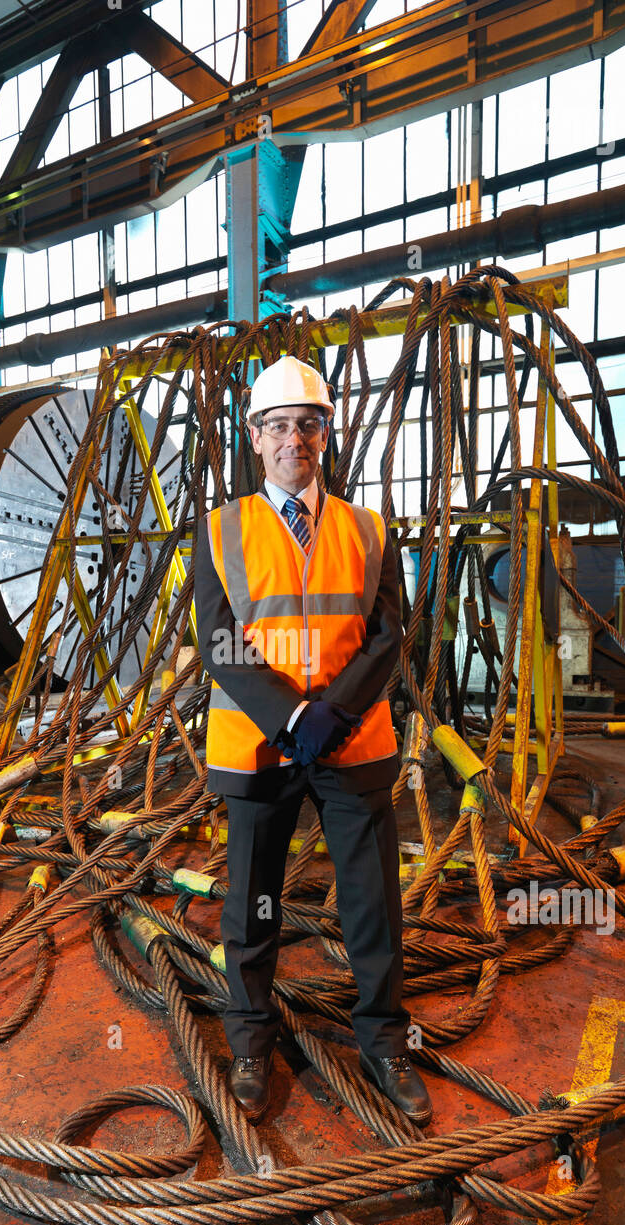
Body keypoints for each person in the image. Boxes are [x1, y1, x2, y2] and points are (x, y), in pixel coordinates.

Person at [193, 356, 432, 1126]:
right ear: (253, 438)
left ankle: (384, 1041)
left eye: (309, 423)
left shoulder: (367, 530)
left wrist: (333, 710)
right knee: (252, 905)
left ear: (326, 435)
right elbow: (217, 638)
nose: (294, 437)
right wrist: (290, 718)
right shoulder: (219, 530)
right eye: (278, 426)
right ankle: (251, 1042)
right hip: (262, 747)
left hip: (351, 740)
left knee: (372, 903)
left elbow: (388, 629)